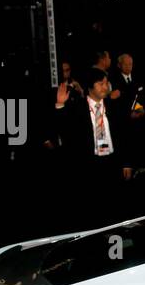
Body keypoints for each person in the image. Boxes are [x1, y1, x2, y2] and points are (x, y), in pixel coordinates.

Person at [55, 67, 133, 228]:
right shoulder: (78, 108)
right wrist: (60, 105)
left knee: (116, 205)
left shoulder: (114, 106)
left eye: (106, 83)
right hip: (89, 164)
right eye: (100, 83)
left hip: (112, 161)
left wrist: (126, 162)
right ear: (90, 86)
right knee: (93, 209)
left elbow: (124, 136)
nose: (105, 87)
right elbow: (64, 131)